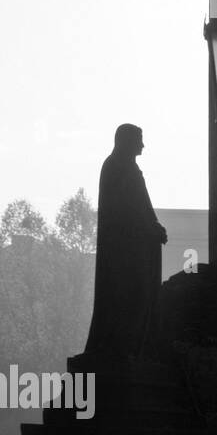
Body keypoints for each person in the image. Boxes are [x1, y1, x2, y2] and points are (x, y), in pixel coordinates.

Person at [83, 124, 167, 362]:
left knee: (137, 294)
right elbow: (128, 208)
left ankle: (131, 346)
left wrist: (154, 225)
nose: (143, 145)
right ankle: (124, 346)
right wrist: (151, 227)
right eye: (139, 140)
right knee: (132, 294)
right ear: (127, 141)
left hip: (132, 248)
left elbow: (140, 205)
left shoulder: (125, 167)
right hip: (125, 252)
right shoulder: (118, 168)